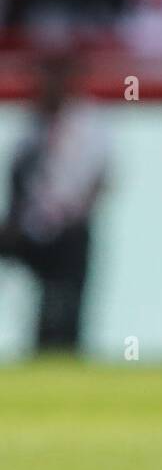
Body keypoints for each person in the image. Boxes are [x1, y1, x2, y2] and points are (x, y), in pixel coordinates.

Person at [0, 51, 108, 352]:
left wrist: (64, 216)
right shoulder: (31, 123)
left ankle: (61, 349)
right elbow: (18, 178)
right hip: (27, 228)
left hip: (68, 230)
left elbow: (100, 179)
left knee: (63, 301)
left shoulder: (88, 123)